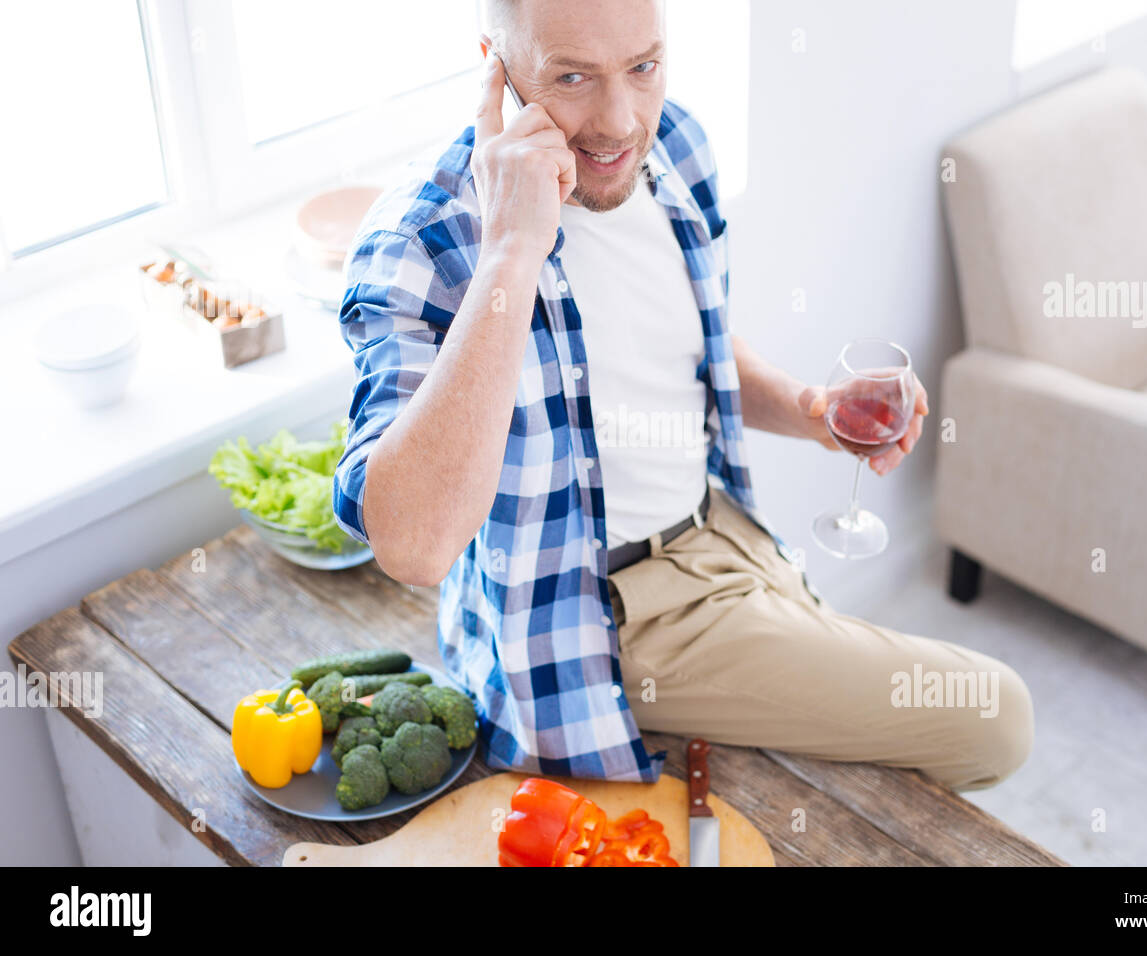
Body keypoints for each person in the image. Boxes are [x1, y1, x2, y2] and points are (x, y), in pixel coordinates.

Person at [332, 0, 1032, 789]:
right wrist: (510, 253)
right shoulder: (419, 245)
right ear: (494, 66)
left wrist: (813, 410)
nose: (618, 120)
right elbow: (413, 545)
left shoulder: (675, 147)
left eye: (643, 66)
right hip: (599, 618)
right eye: (572, 77)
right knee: (993, 714)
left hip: (724, 532)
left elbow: (686, 349)